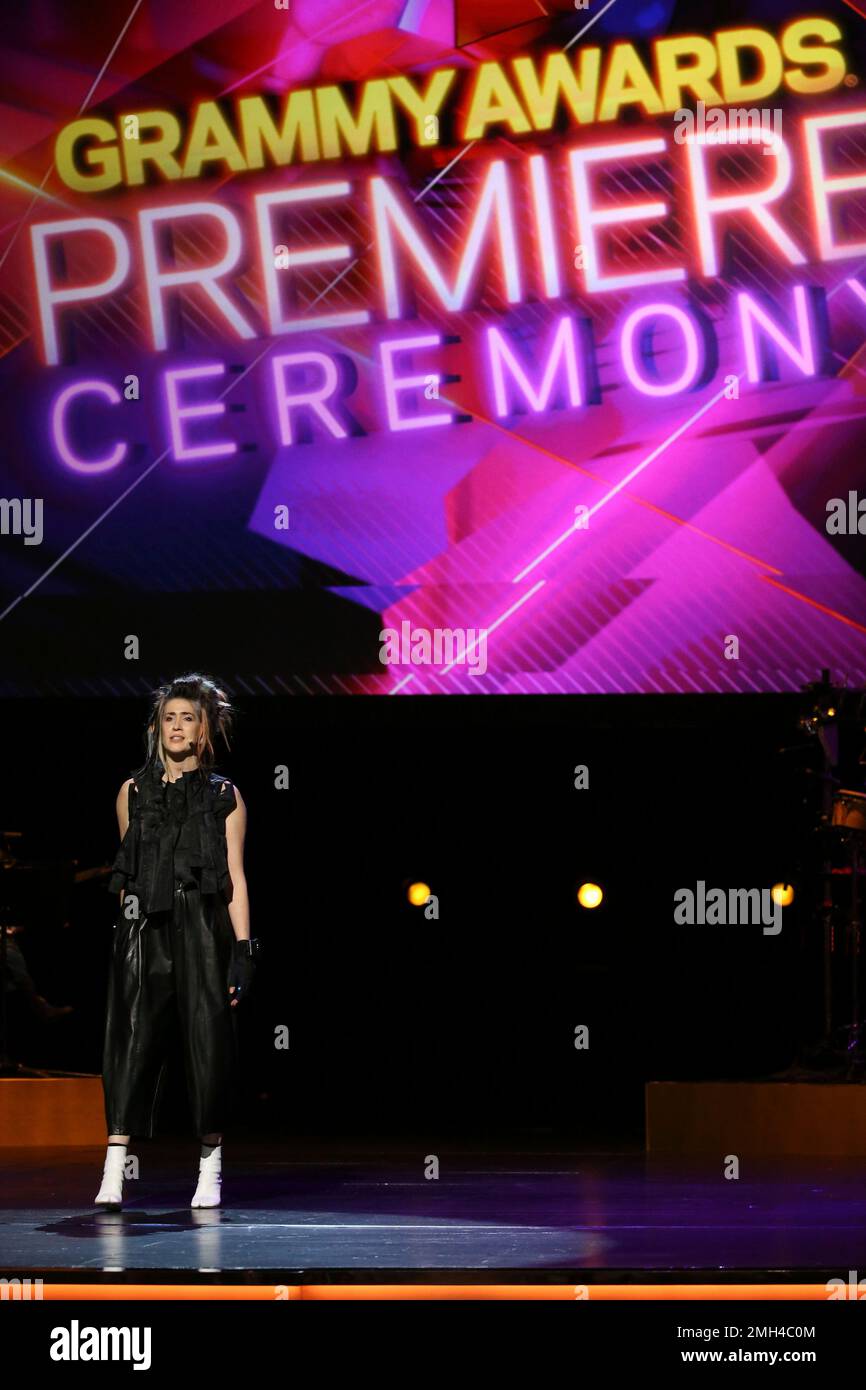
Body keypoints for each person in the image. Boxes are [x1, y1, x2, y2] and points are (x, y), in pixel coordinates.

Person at [94, 673, 261, 1210]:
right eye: (169, 717)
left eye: (188, 717)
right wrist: (127, 936)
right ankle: (115, 1168)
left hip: (203, 924)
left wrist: (242, 949)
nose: (176, 725)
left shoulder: (223, 796)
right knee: (131, 1037)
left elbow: (234, 874)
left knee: (207, 1041)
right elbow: (129, 869)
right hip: (146, 927)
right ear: (156, 728)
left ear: (204, 730)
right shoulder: (133, 791)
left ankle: (209, 1167)